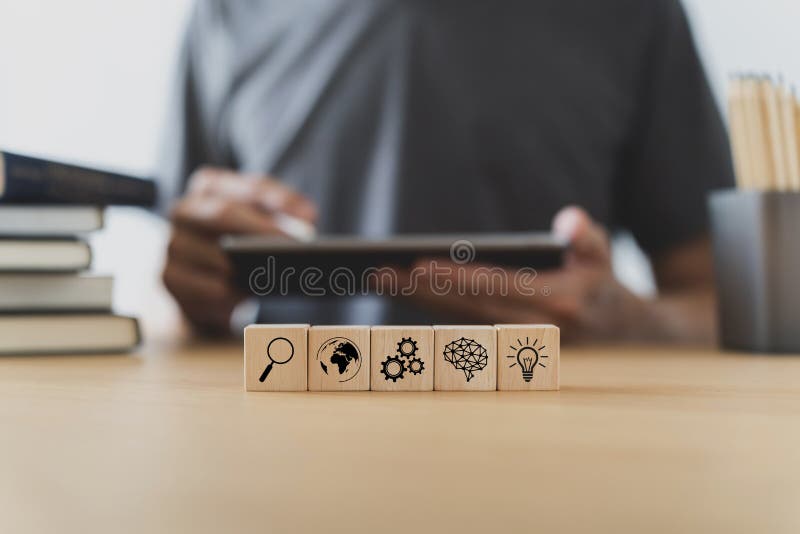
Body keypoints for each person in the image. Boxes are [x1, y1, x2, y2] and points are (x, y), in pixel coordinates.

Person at [159, 0, 734, 344]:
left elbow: (724, 305)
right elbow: (174, 290)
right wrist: (195, 297)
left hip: (547, 454)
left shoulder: (632, 12)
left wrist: (632, 324)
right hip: (285, 452)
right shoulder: (227, 12)